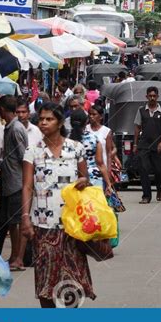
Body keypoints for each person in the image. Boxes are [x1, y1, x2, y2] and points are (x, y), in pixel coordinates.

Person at [21, 102, 95, 308]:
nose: (43, 123)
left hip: (72, 226)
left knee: (72, 280)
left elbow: (85, 178)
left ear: (60, 122)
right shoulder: (32, 151)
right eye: (41, 119)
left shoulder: (76, 148)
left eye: (49, 119)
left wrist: (83, 182)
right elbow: (27, 186)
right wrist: (25, 218)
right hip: (43, 226)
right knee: (45, 280)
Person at [0, 96, 28, 271]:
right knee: (12, 221)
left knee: (16, 221)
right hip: (11, 181)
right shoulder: (9, 128)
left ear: (3, 109)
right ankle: (14, 257)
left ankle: (18, 258)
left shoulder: (16, 129)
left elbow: (23, 157)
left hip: (17, 182)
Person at [133, 86, 161, 204]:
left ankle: (160, 189)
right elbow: (137, 127)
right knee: (143, 169)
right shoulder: (141, 110)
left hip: (157, 144)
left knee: (159, 170)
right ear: (147, 97)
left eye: (154, 96)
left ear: (157, 97)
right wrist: (135, 144)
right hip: (144, 144)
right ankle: (146, 196)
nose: (152, 98)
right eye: (150, 96)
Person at [87, 103, 120, 172]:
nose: (91, 116)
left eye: (94, 114)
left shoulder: (106, 131)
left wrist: (108, 170)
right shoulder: (85, 129)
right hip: (88, 167)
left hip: (102, 167)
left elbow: (109, 152)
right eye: (89, 114)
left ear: (101, 116)